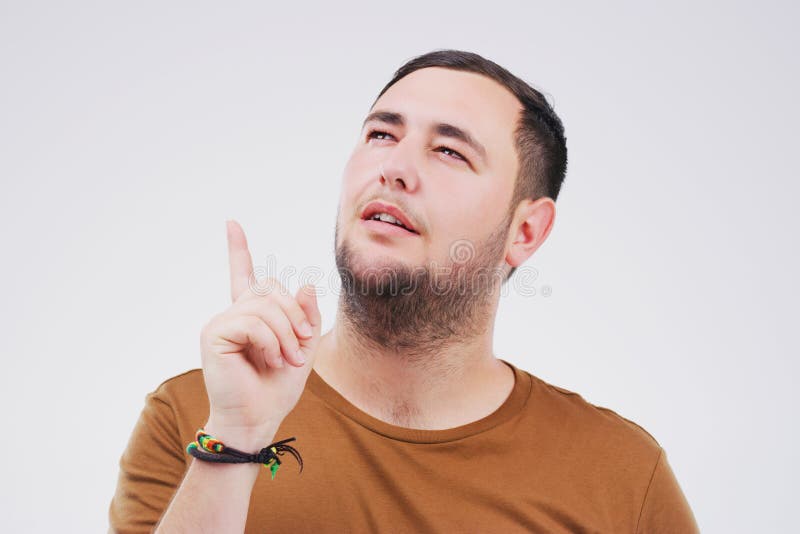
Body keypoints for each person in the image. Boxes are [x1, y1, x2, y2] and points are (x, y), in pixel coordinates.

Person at [109, 49, 699, 533]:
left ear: (525, 231)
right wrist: (237, 442)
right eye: (381, 134)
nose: (393, 167)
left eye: (449, 150)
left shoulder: (620, 475)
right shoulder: (197, 422)